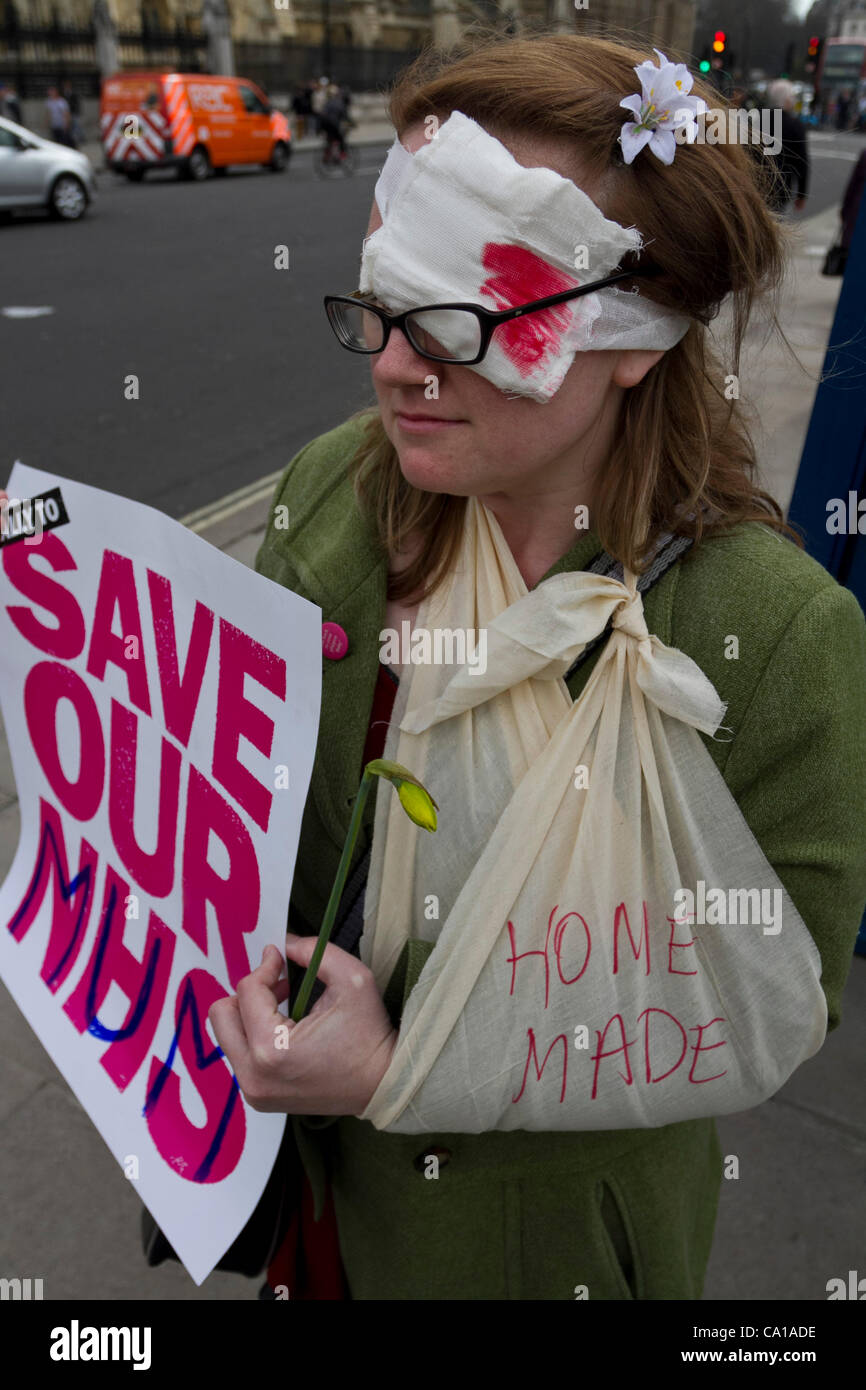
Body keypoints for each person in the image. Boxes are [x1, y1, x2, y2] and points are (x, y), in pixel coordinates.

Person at [209, 30, 866, 1301]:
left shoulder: (776, 630)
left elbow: (773, 1001)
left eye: (457, 319)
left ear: (636, 337)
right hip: (314, 1212)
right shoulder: (329, 494)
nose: (398, 366)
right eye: (382, 305)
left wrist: (408, 1070)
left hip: (540, 1254)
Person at [765, 78, 809, 214]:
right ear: (787, 100)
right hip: (781, 188)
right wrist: (802, 194)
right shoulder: (795, 125)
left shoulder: (755, 119)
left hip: (753, 184)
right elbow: (802, 162)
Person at [318, 82, 347, 157]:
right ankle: (342, 153)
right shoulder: (339, 102)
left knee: (330, 139)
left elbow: (322, 113)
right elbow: (344, 115)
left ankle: (327, 153)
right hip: (333, 124)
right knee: (341, 138)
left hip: (324, 124)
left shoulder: (327, 102)